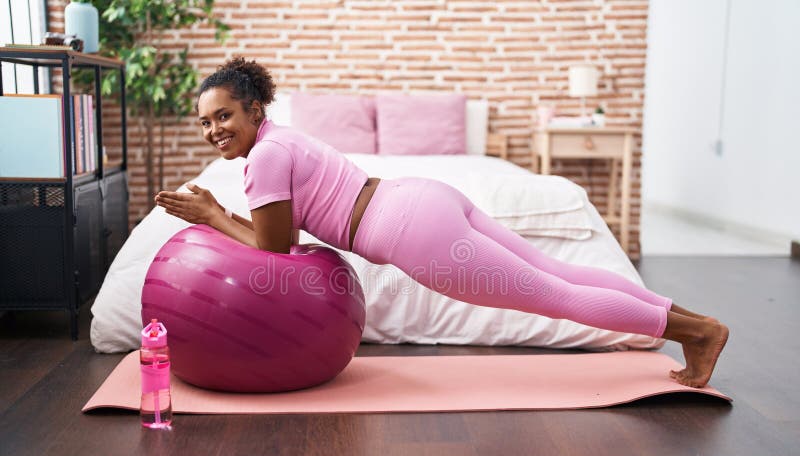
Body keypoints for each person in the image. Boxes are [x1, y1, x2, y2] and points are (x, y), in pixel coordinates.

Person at [155, 57, 729, 389]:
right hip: (424, 199)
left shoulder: (263, 158)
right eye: (204, 123)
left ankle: (697, 334)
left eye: (223, 116)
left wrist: (211, 214)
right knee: (559, 273)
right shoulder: (281, 140)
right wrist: (221, 213)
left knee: (555, 295)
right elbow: (291, 236)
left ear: (255, 110)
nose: (213, 132)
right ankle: (693, 322)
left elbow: (276, 250)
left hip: (416, 235)